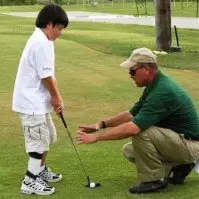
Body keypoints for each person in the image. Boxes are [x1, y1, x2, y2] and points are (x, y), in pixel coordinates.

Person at [75, 47, 199, 194]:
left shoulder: (162, 91)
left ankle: (155, 181)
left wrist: (97, 138)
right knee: (130, 151)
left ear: (146, 69)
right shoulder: (154, 85)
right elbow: (131, 115)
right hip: (181, 142)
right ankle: (178, 167)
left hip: (191, 145)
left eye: (132, 71)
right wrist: (101, 125)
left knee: (141, 131)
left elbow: (133, 127)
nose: (130, 75)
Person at [12, 4, 68, 195]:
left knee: (48, 136)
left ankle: (40, 170)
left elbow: (49, 74)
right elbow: (45, 77)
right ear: (50, 24)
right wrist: (56, 97)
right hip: (30, 103)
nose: (60, 32)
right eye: (59, 28)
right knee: (38, 142)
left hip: (38, 101)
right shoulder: (39, 42)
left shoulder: (46, 41)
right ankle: (30, 181)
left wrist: (56, 98)